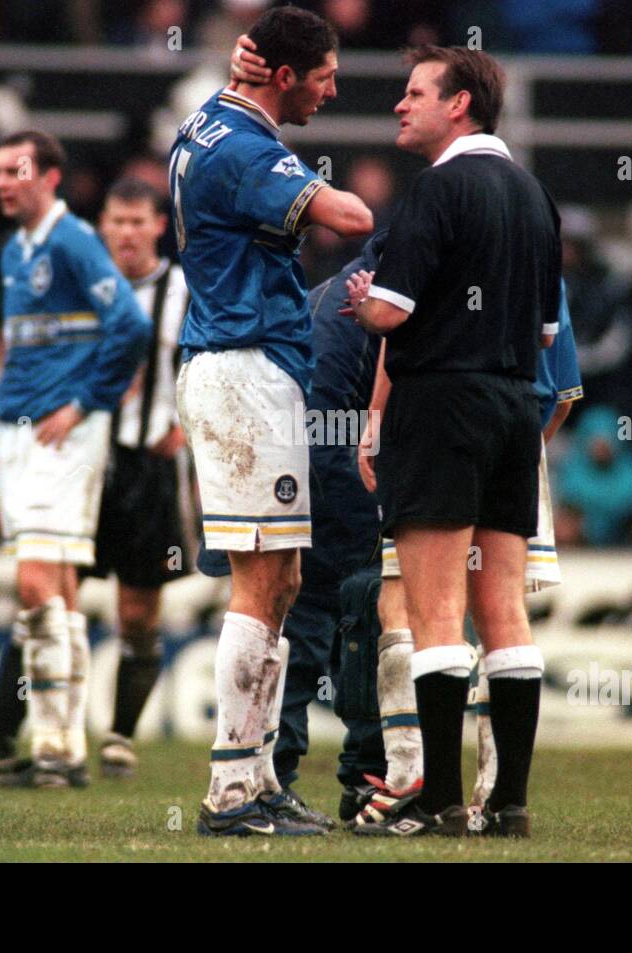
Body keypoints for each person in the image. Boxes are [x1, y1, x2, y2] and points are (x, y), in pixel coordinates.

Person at [347, 46, 561, 837]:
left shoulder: (437, 189)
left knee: (437, 614)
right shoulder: (536, 196)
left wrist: (366, 302)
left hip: (441, 407)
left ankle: (437, 802)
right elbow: (545, 335)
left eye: (414, 94)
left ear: (460, 103)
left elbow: (392, 313)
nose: (401, 106)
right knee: (505, 609)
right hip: (515, 410)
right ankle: (509, 805)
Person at [170, 5, 372, 836]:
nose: (331, 91)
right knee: (260, 584)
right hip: (243, 369)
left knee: (282, 580)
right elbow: (353, 219)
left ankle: (257, 777)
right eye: (323, 75)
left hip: (245, 369)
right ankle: (230, 795)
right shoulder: (252, 152)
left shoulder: (206, 125)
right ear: (283, 74)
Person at [0, 130, 151, 789]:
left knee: (35, 584)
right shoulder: (15, 248)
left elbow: (133, 327)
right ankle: (62, 748)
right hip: (19, 428)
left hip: (58, 432)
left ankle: (59, 746)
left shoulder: (73, 240)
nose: (3, 181)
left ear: (52, 176)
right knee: (56, 585)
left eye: (18, 170)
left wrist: (84, 401)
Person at [89, 177, 194, 778]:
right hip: (81, 464)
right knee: (51, 599)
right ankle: (22, 740)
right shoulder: (81, 285)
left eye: (138, 222)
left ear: (158, 226)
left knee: (136, 611)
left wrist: (189, 425)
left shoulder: (185, 290)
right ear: (103, 224)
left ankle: (119, 737)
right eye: (117, 221)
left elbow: (209, 362)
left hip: (150, 466)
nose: (126, 233)